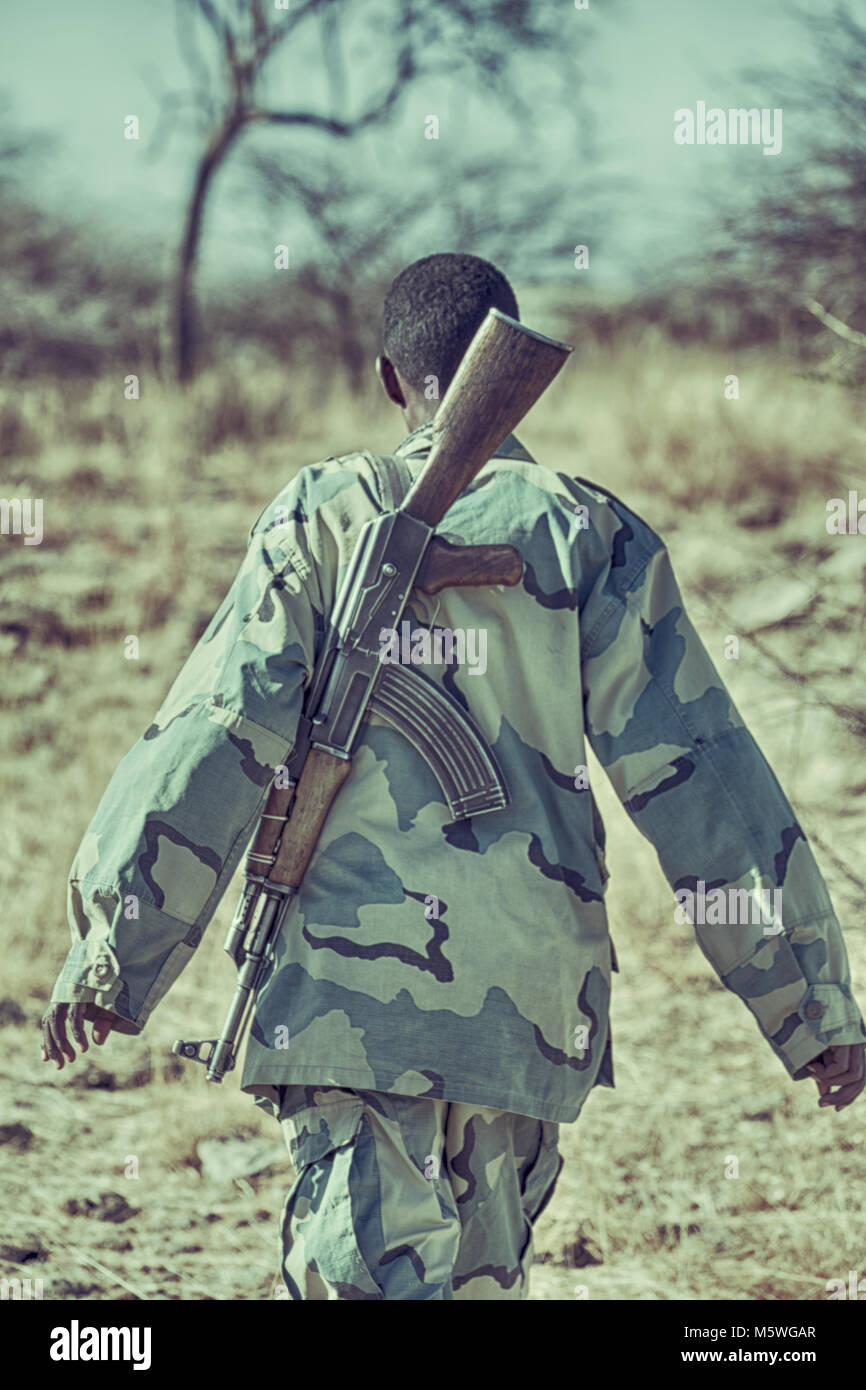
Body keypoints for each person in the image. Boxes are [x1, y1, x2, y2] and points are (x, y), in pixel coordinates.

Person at [42, 252, 866, 1301]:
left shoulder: (324, 512)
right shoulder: (586, 531)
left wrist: (117, 947)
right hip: (527, 1011)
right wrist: (807, 997)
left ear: (391, 378)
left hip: (351, 1007)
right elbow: (704, 783)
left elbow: (215, 736)